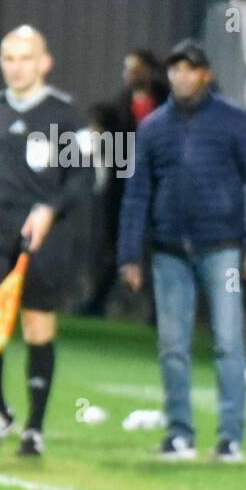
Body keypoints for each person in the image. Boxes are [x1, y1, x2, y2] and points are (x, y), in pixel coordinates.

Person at [117, 39, 246, 461]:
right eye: (175, 69)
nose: (182, 76)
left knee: (227, 341)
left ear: (206, 74)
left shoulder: (235, 122)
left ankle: (230, 437)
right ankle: (180, 433)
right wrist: (129, 254)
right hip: (169, 249)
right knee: (172, 344)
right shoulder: (152, 127)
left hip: (222, 247)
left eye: (190, 69)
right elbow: (136, 194)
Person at [0, 25, 90, 457]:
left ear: (44, 63)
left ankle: (34, 427)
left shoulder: (66, 114)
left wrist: (50, 208)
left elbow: (85, 179)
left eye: (25, 58)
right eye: (8, 58)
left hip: (44, 235)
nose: (16, 66)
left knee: (36, 327)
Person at [79, 51, 168, 317]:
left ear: (149, 71)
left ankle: (157, 311)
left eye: (135, 68)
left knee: (161, 246)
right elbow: (102, 120)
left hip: (160, 185)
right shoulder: (121, 104)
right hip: (124, 186)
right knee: (114, 245)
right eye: (126, 68)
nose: (128, 73)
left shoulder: (166, 102)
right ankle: (96, 301)